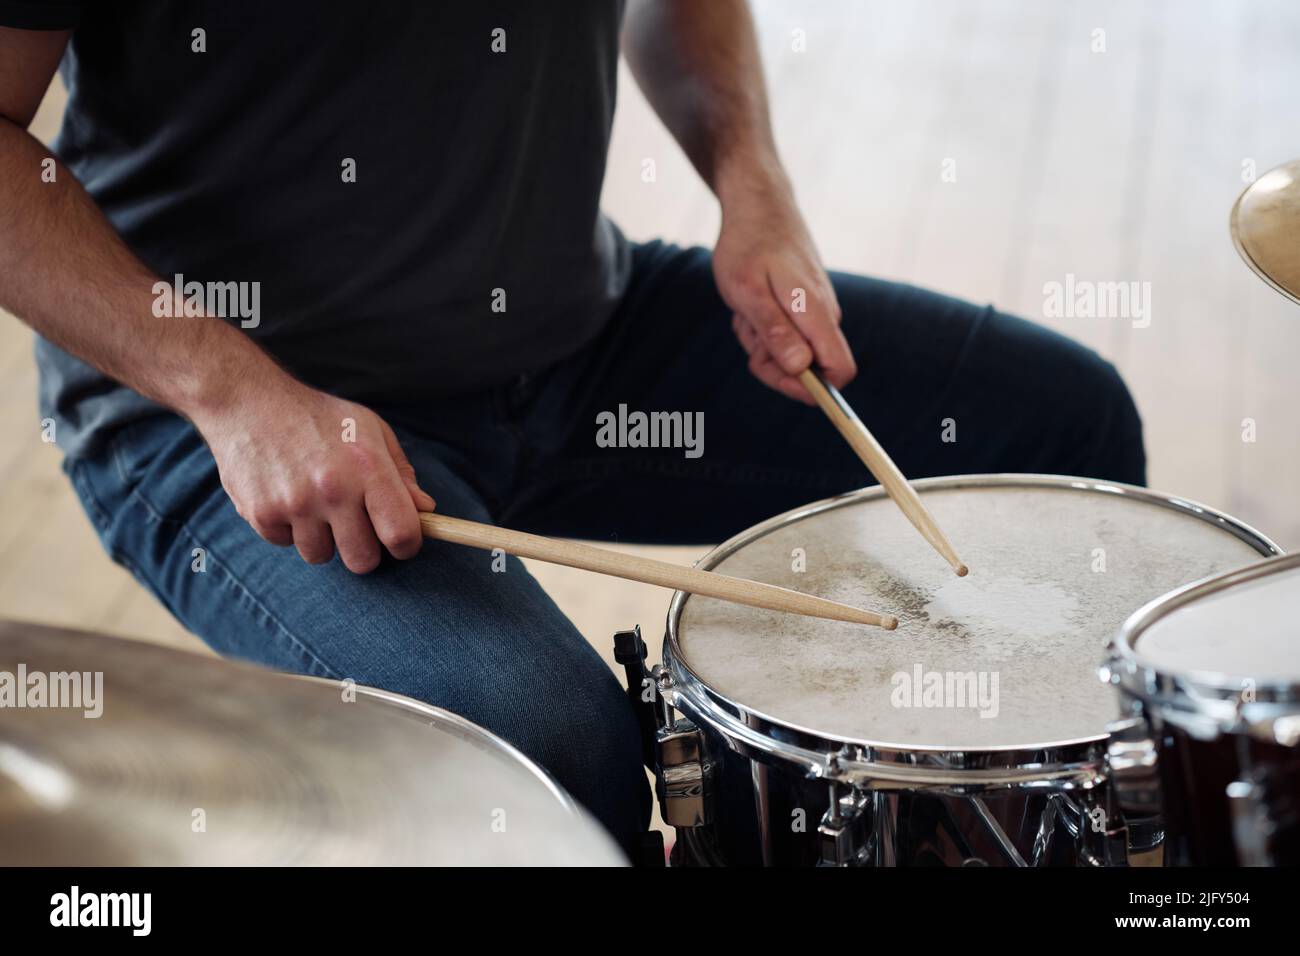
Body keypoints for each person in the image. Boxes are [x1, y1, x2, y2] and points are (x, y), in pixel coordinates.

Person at [0, 1, 1144, 860]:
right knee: (552, 754)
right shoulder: (221, 400)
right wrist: (230, 393)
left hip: (575, 333)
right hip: (224, 411)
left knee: (1066, 428)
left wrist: (752, 183)